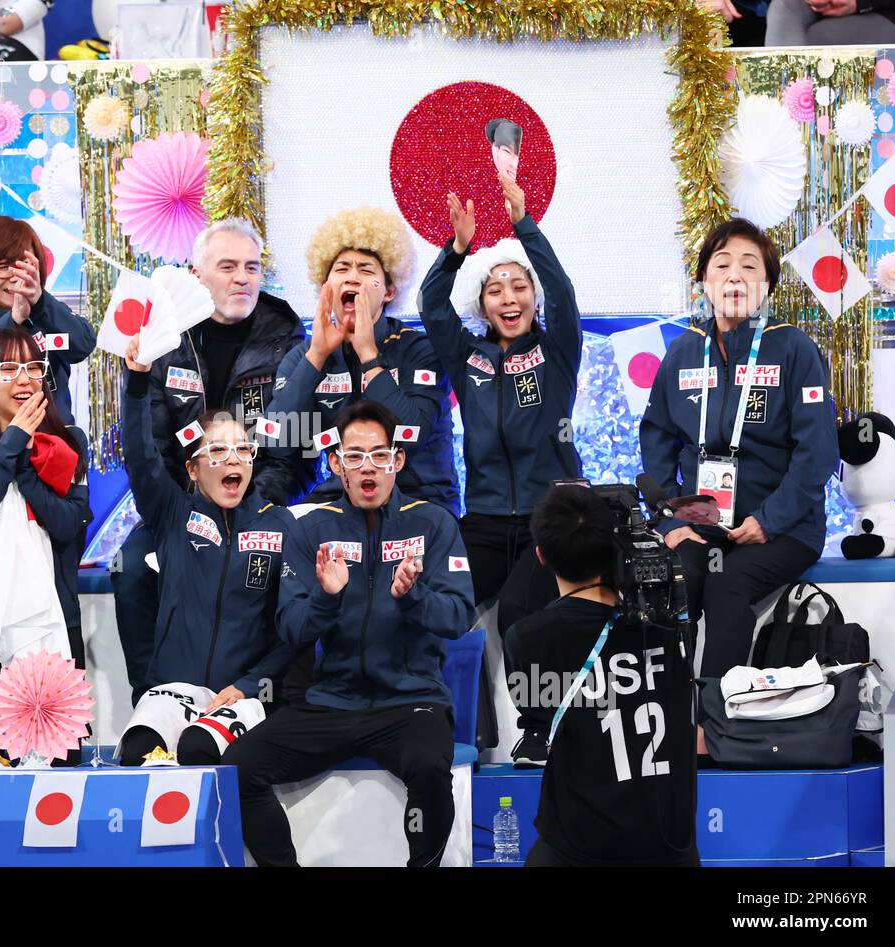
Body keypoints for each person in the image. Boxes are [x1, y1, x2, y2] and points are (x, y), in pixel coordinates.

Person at [224, 400, 474, 867]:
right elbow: (291, 628)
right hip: (332, 702)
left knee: (429, 766)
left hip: (411, 701)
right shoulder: (311, 528)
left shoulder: (434, 523)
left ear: (397, 461)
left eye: (379, 456)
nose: (368, 468)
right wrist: (326, 597)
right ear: (335, 463)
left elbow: (459, 617)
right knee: (238, 767)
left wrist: (414, 595)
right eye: (354, 456)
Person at [419, 176, 580, 764]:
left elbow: (562, 289)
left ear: (533, 299)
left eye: (519, 287)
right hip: (483, 520)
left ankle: (538, 728)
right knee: (437, 599)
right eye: (496, 290)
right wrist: (456, 248)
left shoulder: (559, 348)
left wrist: (524, 225)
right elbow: (430, 307)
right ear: (482, 305)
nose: (509, 298)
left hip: (550, 520)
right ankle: (443, 721)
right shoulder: (470, 359)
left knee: (517, 610)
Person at [111, 218, 303, 706]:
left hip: (257, 503)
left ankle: (252, 695)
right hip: (181, 502)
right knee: (130, 568)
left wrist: (253, 506)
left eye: (252, 267)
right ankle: (150, 696)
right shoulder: (165, 334)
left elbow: (294, 445)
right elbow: (149, 444)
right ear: (198, 275)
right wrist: (187, 508)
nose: (243, 278)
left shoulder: (286, 336)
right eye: (228, 266)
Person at [640, 218, 838, 680]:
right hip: (702, 523)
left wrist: (770, 520)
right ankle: (670, 712)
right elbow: (656, 435)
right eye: (722, 264)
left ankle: (713, 719)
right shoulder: (684, 351)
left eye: (750, 267)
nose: (734, 276)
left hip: (785, 528)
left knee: (728, 584)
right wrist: (671, 517)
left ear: (767, 284)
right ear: (704, 280)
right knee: (674, 580)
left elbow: (818, 452)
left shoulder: (793, 348)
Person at [114, 334, 297, 765]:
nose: (232, 459)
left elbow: (296, 633)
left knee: (198, 749)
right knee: (139, 752)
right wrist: (137, 383)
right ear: (192, 469)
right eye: (216, 450)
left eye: (242, 450)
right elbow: (140, 457)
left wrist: (253, 684)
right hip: (173, 689)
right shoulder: (171, 512)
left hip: (240, 694)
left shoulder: (280, 525)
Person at [508, 485, 697, 867]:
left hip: (582, 845)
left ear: (542, 555)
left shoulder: (529, 637)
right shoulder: (666, 621)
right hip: (670, 842)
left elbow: (538, 719)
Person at [0, 326, 92, 767]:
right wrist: (10, 447)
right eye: (8, 368)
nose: (24, 378)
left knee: (54, 782)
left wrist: (25, 464)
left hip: (54, 626)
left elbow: (68, 527)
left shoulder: (68, 441)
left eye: (34, 366)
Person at [267, 206, 458, 513]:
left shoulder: (418, 348)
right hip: (341, 502)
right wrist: (316, 357)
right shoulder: (306, 355)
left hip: (421, 499)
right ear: (325, 286)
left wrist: (370, 357)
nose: (352, 278)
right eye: (341, 269)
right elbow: (277, 440)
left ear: (389, 291)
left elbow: (412, 434)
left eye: (366, 270)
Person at [0, 215, 96, 425]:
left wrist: (40, 303)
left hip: (54, 449)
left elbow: (83, 344)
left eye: (24, 265)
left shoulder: (50, 316)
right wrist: (12, 321)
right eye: (4, 267)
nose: (16, 277)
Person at [766, 0, 895, 43]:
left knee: (816, 36)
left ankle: (798, 100)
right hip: (814, 9)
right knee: (781, 7)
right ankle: (782, 102)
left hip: (877, 13)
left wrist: (858, 2)